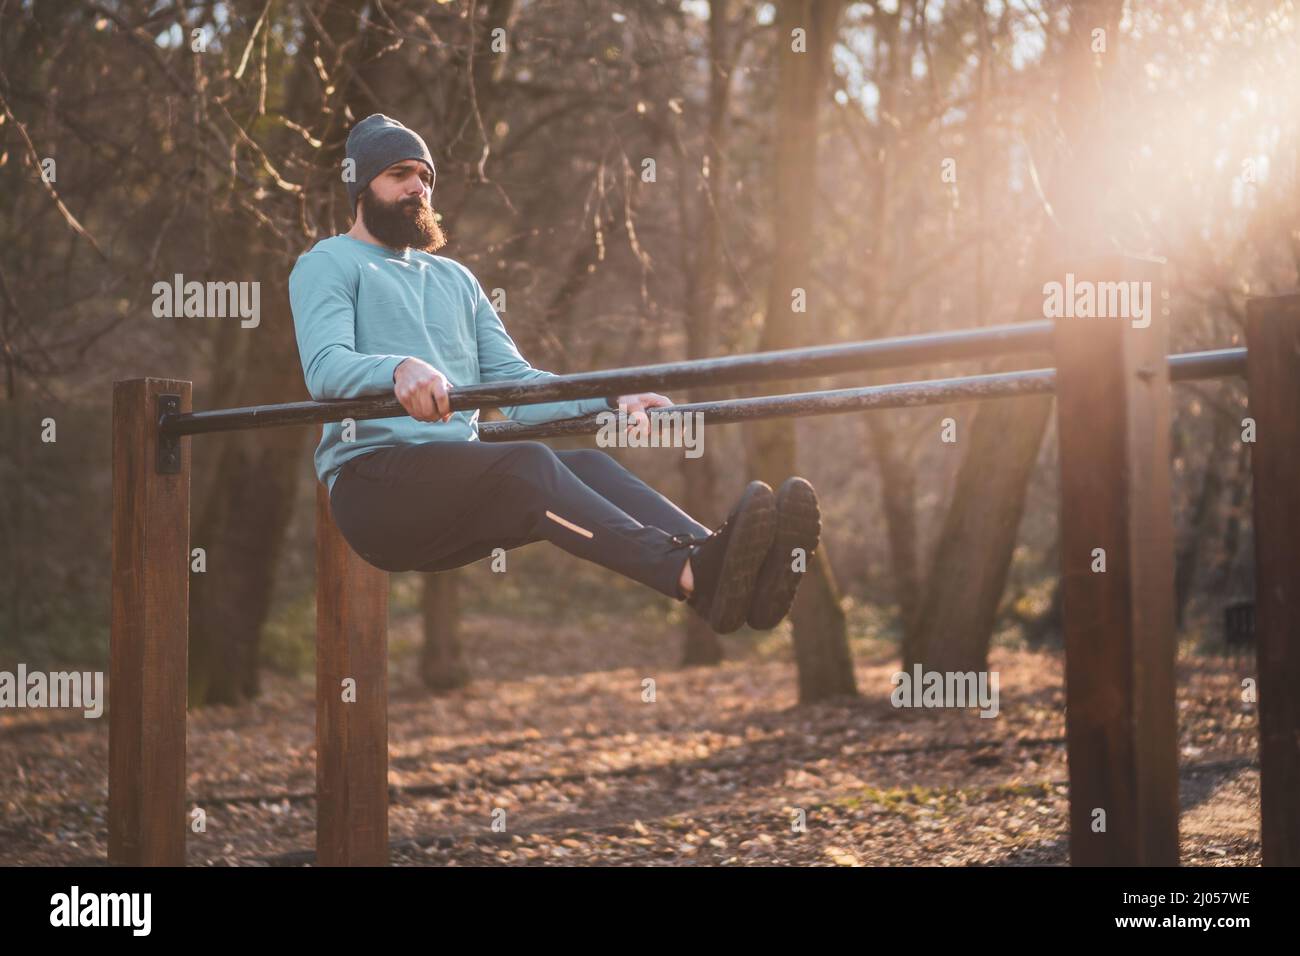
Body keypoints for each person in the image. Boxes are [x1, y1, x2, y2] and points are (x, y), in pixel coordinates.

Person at [289, 114, 821, 634]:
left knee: (588, 463)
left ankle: (725, 572)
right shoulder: (330, 263)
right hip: (374, 490)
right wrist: (398, 367)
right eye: (399, 173)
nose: (418, 188)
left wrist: (612, 402)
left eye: (426, 177)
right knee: (528, 463)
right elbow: (325, 368)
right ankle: (686, 573)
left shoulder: (455, 279)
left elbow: (518, 390)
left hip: (453, 485)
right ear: (361, 186)